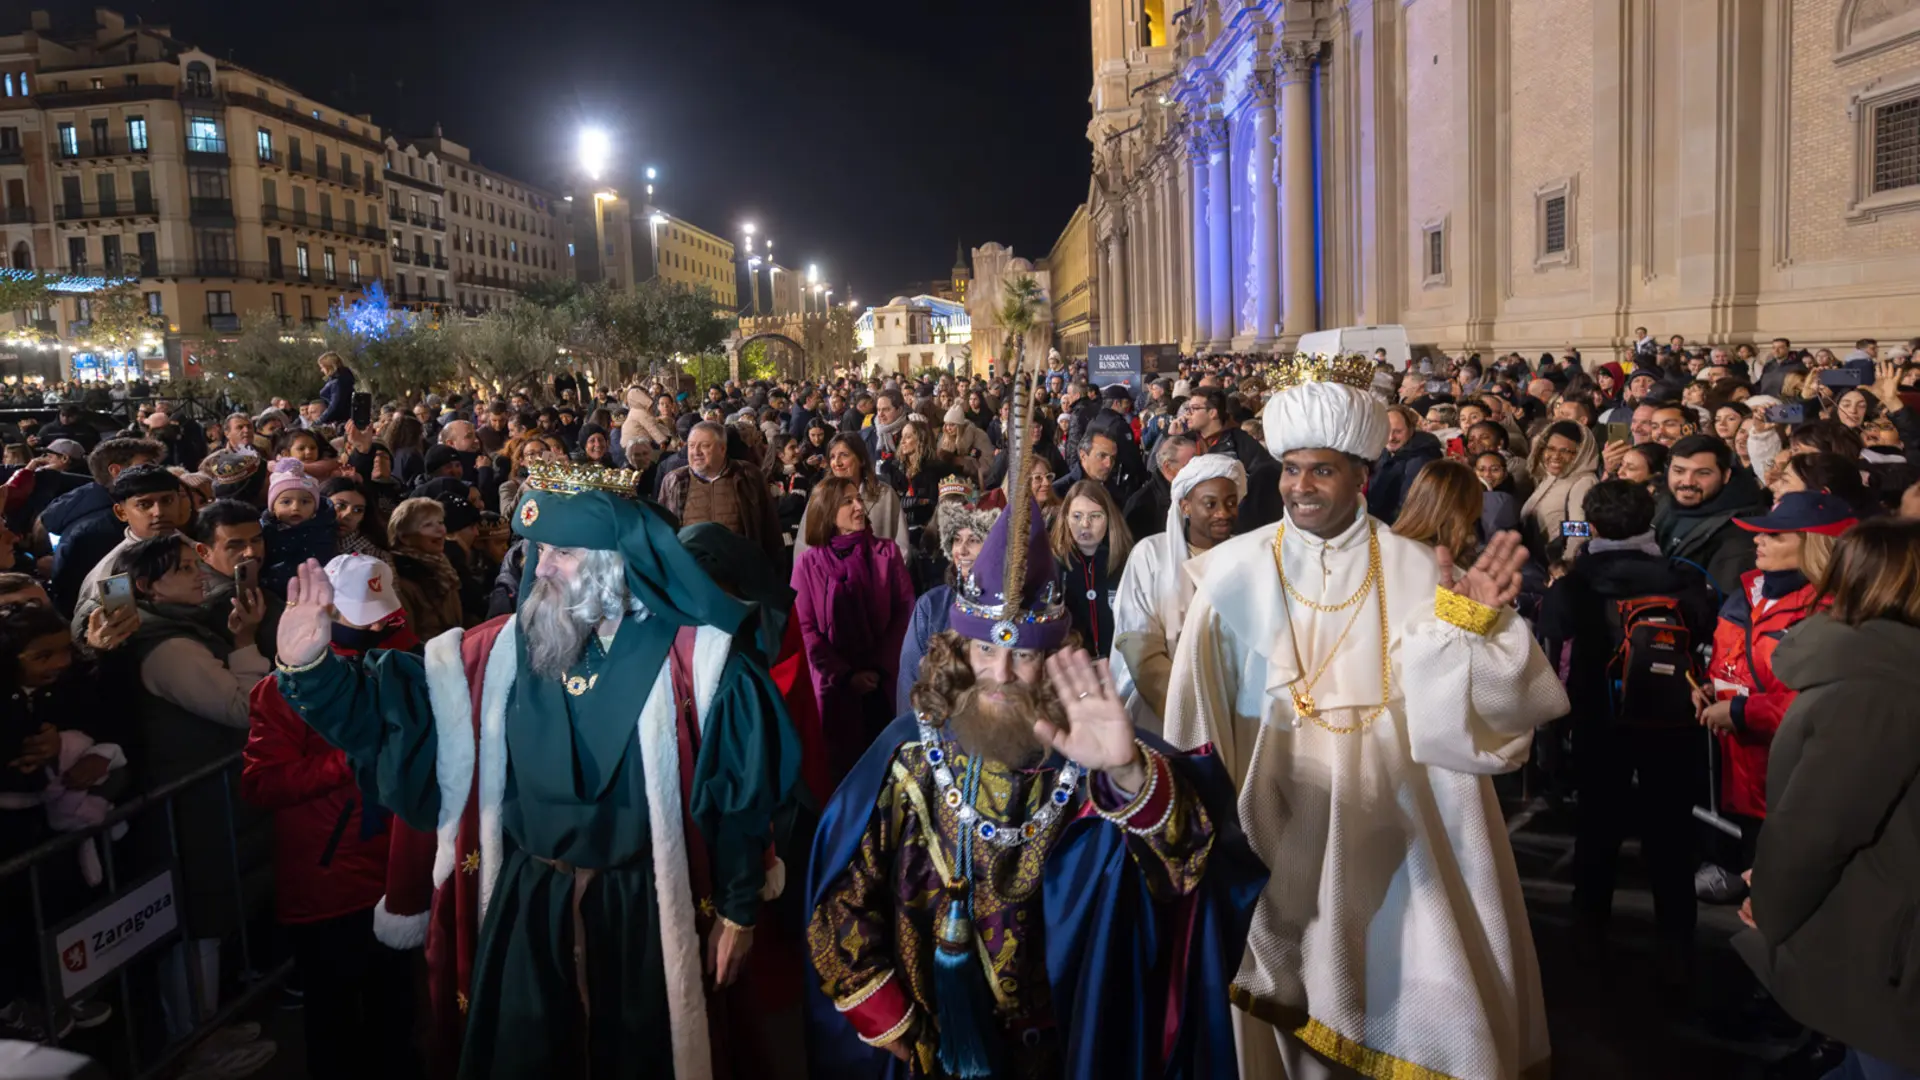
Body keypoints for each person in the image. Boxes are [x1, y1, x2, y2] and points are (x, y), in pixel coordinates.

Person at [272, 457, 799, 1078]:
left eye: (563, 552)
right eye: (537, 548)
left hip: (644, 918)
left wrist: (738, 911)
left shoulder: (699, 662)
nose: (539, 567)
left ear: (616, 559)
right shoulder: (491, 652)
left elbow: (740, 799)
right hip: (525, 906)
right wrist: (309, 668)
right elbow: (396, 714)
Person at [1162, 356, 1569, 1080]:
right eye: (1290, 469)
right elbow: (1196, 721)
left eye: (1320, 470)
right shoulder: (1231, 574)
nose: (1300, 486)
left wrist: (1473, 627)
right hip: (1275, 821)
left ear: (1359, 474)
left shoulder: (1419, 569)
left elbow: (1485, 727)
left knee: (1404, 992)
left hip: (1404, 831)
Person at [803, 480, 1265, 1080]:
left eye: (1021, 655)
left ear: (1051, 657)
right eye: (983, 652)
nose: (1000, 674)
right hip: (933, 1042)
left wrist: (1127, 772)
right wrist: (879, 1004)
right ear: (955, 649)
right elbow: (842, 889)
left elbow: (1192, 871)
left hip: (1067, 1046)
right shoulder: (909, 757)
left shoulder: (1091, 763)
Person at [1737, 518, 1920, 1080]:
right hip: (1882, 939)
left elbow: (1817, 829)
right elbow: (1819, 827)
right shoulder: (1881, 683)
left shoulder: (1876, 683)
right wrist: (1772, 894)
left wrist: (1770, 900)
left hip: (1887, 942)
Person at [241, 554, 418, 1080]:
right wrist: (350, 757)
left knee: (397, 1014)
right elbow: (261, 782)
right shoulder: (282, 688)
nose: (377, 630)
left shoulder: (405, 663)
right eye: (362, 620)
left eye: (384, 620)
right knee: (334, 1023)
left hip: (395, 870)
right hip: (328, 881)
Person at [1536, 480, 1719, 979]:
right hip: (1671, 720)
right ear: (1649, 520)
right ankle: (1677, 942)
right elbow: (1705, 629)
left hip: (1600, 719)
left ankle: (1589, 933)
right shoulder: (1682, 578)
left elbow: (1551, 644)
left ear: (1590, 526)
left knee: (1598, 829)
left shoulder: (1576, 583)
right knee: (1671, 833)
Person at [119, 534, 274, 1046]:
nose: (197, 575)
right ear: (146, 587)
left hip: (201, 794)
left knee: (207, 915)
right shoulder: (169, 646)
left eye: (193, 565)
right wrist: (247, 642)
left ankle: (206, 1026)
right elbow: (243, 709)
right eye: (182, 569)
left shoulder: (177, 628)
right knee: (198, 918)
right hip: (189, 801)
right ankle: (196, 1041)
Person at [1692, 491, 1849, 903]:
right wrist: (1712, 687)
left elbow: (1828, 702)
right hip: (1740, 762)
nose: (1758, 540)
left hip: (1793, 771)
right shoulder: (1746, 590)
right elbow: (1730, 660)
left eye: (1775, 535)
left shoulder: (1834, 609)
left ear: (1815, 543)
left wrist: (1743, 711)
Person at [790, 476, 913, 786]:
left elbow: (904, 612)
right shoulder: (807, 564)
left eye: (858, 499)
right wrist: (845, 676)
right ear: (827, 511)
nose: (859, 506)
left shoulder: (887, 553)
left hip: (881, 685)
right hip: (836, 693)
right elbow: (805, 628)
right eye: (848, 501)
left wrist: (876, 668)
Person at [1111, 454, 1245, 734]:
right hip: (1163, 712)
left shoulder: (1247, 558)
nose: (1223, 512)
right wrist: (1189, 713)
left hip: (1235, 712)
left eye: (1231, 503)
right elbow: (1141, 648)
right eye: (1210, 504)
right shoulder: (1151, 555)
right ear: (1185, 506)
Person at [895, 499, 998, 716]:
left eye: (974, 540)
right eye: (957, 540)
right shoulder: (931, 606)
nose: (962, 549)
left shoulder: (1009, 605)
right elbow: (909, 680)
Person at [1657, 434, 1771, 597]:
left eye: (1702, 473)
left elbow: (1726, 601)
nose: (1688, 481)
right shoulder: (1664, 502)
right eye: (1679, 471)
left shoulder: (1741, 530)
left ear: (1726, 476)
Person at [657, 422, 782, 562]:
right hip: (692, 574)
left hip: (741, 573)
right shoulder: (674, 481)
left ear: (722, 448)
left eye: (704, 446)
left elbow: (770, 529)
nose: (696, 452)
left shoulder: (748, 476)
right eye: (691, 446)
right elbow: (662, 534)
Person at [792, 434, 910, 561]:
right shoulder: (821, 496)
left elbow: (902, 548)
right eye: (832, 457)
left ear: (861, 459)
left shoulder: (885, 495)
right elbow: (804, 547)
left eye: (844, 455)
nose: (837, 463)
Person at [1050, 479, 1132, 661]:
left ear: (1109, 518)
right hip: (1073, 667)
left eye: (1095, 516)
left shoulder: (1127, 561)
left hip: (1120, 665)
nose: (1085, 524)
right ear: (1065, 518)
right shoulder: (1053, 563)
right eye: (1077, 516)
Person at [386, 496, 467, 642]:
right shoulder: (400, 577)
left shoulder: (441, 565)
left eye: (440, 522)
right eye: (428, 525)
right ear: (405, 537)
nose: (440, 530)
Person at [1367, 404, 1443, 524]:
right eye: (1387, 431)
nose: (1391, 437)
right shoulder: (1385, 452)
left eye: (1398, 432)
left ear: (1411, 430)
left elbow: (1409, 509)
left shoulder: (1420, 461)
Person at [1122, 433, 1197, 541]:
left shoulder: (1197, 490)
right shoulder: (1141, 506)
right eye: (1189, 465)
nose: (1197, 469)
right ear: (1168, 467)